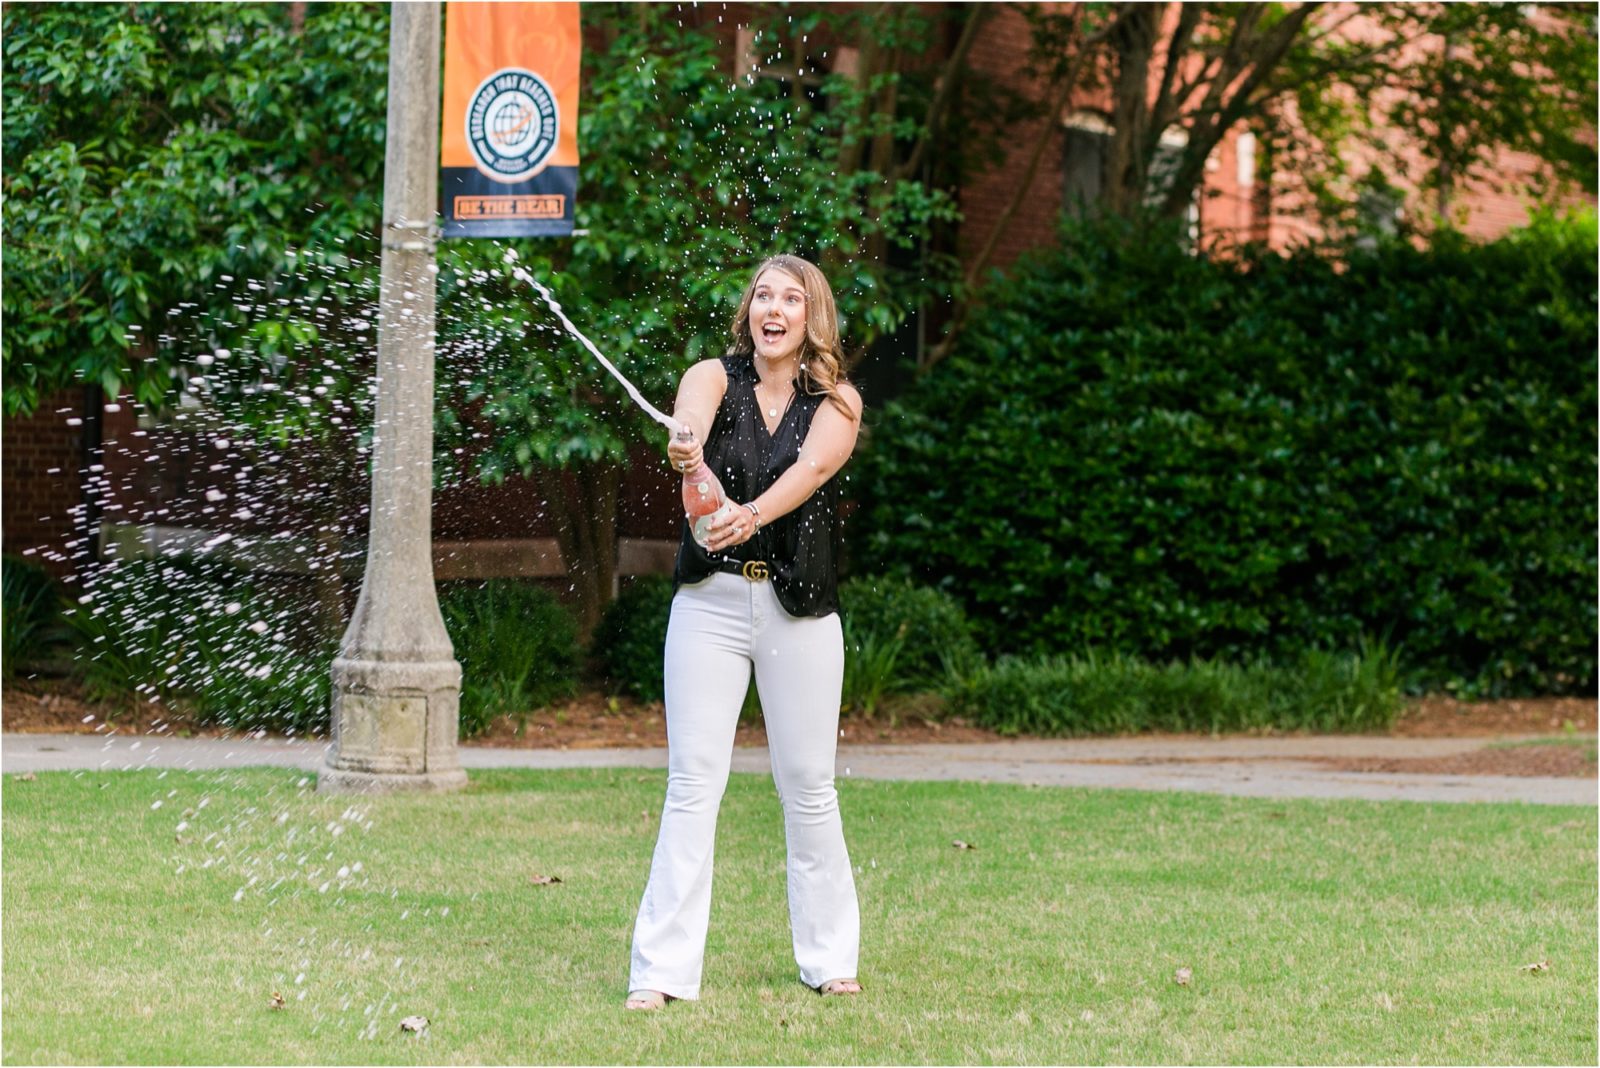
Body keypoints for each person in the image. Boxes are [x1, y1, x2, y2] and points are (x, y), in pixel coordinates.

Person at [625, 254, 865, 1010]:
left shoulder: (840, 401)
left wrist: (752, 514)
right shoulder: (716, 377)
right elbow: (691, 406)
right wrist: (686, 441)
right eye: (764, 294)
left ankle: (829, 960)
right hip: (711, 606)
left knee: (810, 788)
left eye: (792, 298)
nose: (775, 307)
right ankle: (661, 974)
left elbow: (813, 471)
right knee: (693, 784)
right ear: (750, 311)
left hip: (800, 614)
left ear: (811, 318)